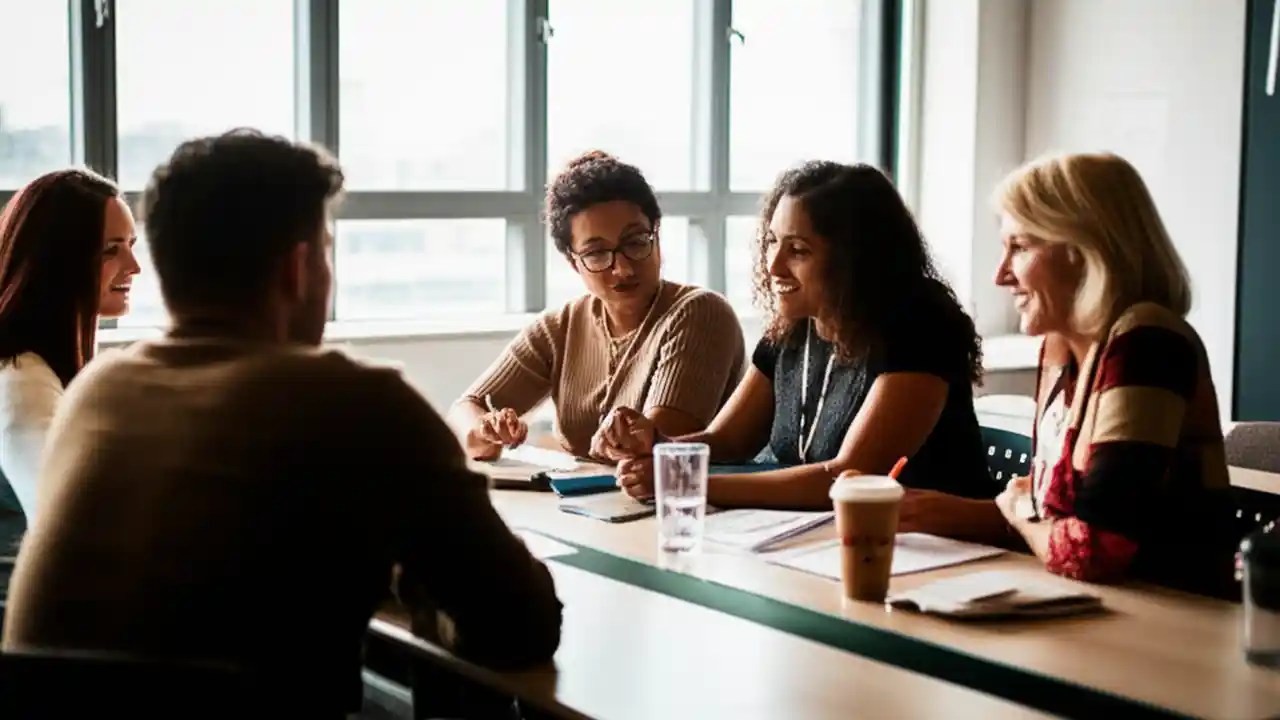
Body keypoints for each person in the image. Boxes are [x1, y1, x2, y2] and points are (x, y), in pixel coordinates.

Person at [2, 130, 562, 713]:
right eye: (325, 250)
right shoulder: (360, 402)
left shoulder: (98, 391)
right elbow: (520, 622)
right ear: (298, 268)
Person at [596, 161, 1001, 541]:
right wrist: (659, 446)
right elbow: (730, 440)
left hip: (941, 552)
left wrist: (686, 481)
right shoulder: (794, 326)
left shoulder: (921, 326)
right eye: (772, 241)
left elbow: (848, 477)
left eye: (798, 250)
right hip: (820, 541)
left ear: (855, 259)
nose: (773, 266)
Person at [990, 152, 1236, 596]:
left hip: (1176, 615)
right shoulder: (1061, 348)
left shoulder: (1148, 341)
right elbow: (1052, 516)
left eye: (1020, 247)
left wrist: (1019, 512)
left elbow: (1092, 550)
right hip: (1098, 604)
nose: (1000, 275)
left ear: (1085, 251)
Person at [450, 150, 744, 460]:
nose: (623, 269)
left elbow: (654, 451)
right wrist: (484, 431)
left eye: (635, 243)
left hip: (674, 491)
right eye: (597, 253)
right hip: (578, 491)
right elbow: (464, 410)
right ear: (573, 262)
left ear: (656, 234)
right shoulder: (558, 329)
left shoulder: (700, 313)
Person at [0, 169, 141, 531]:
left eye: (131, 245)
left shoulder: (44, 366)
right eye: (111, 250)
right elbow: (75, 520)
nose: (134, 267)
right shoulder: (22, 381)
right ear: (58, 261)